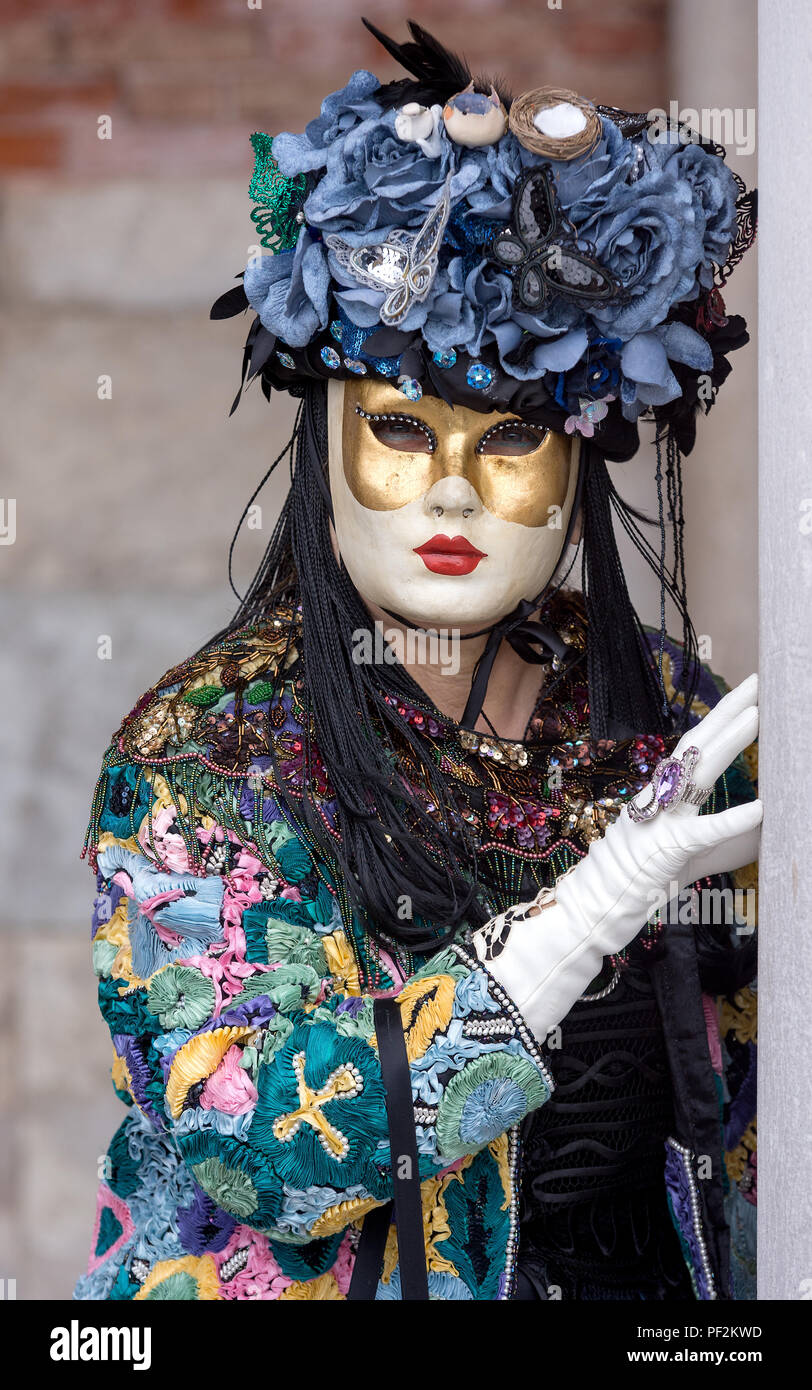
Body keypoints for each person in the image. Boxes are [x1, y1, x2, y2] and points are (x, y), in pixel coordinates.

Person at [75, 20, 759, 1302]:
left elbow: (755, 1102)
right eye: (398, 430)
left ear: (580, 454)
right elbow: (254, 1147)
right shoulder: (206, 758)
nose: (451, 490)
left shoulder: (670, 719)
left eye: (506, 436)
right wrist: (579, 915)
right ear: (325, 439)